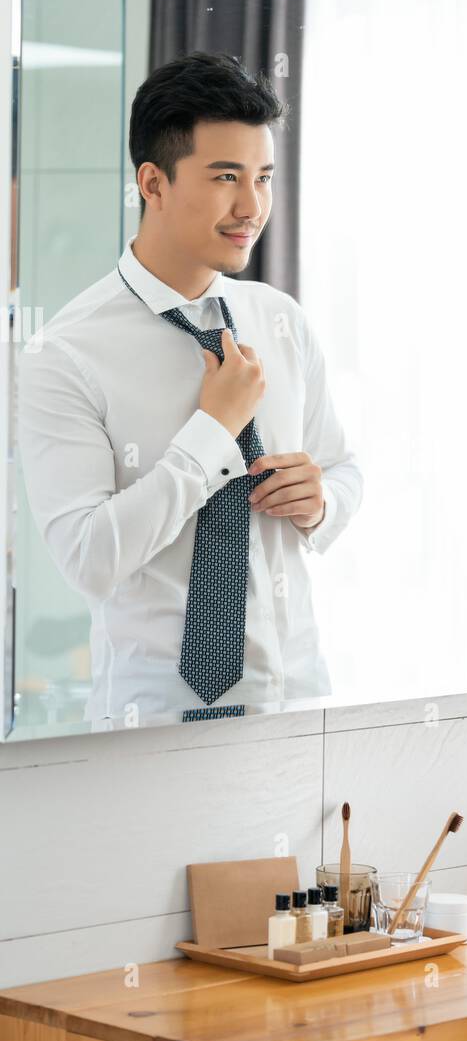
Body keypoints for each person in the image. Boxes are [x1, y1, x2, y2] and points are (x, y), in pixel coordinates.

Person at [17, 51, 362, 725]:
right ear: (153, 182)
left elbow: (344, 469)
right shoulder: (65, 354)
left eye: (262, 177)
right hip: (152, 728)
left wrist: (321, 502)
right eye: (225, 177)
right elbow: (89, 559)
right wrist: (211, 434)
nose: (251, 206)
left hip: (297, 701)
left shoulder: (281, 321)